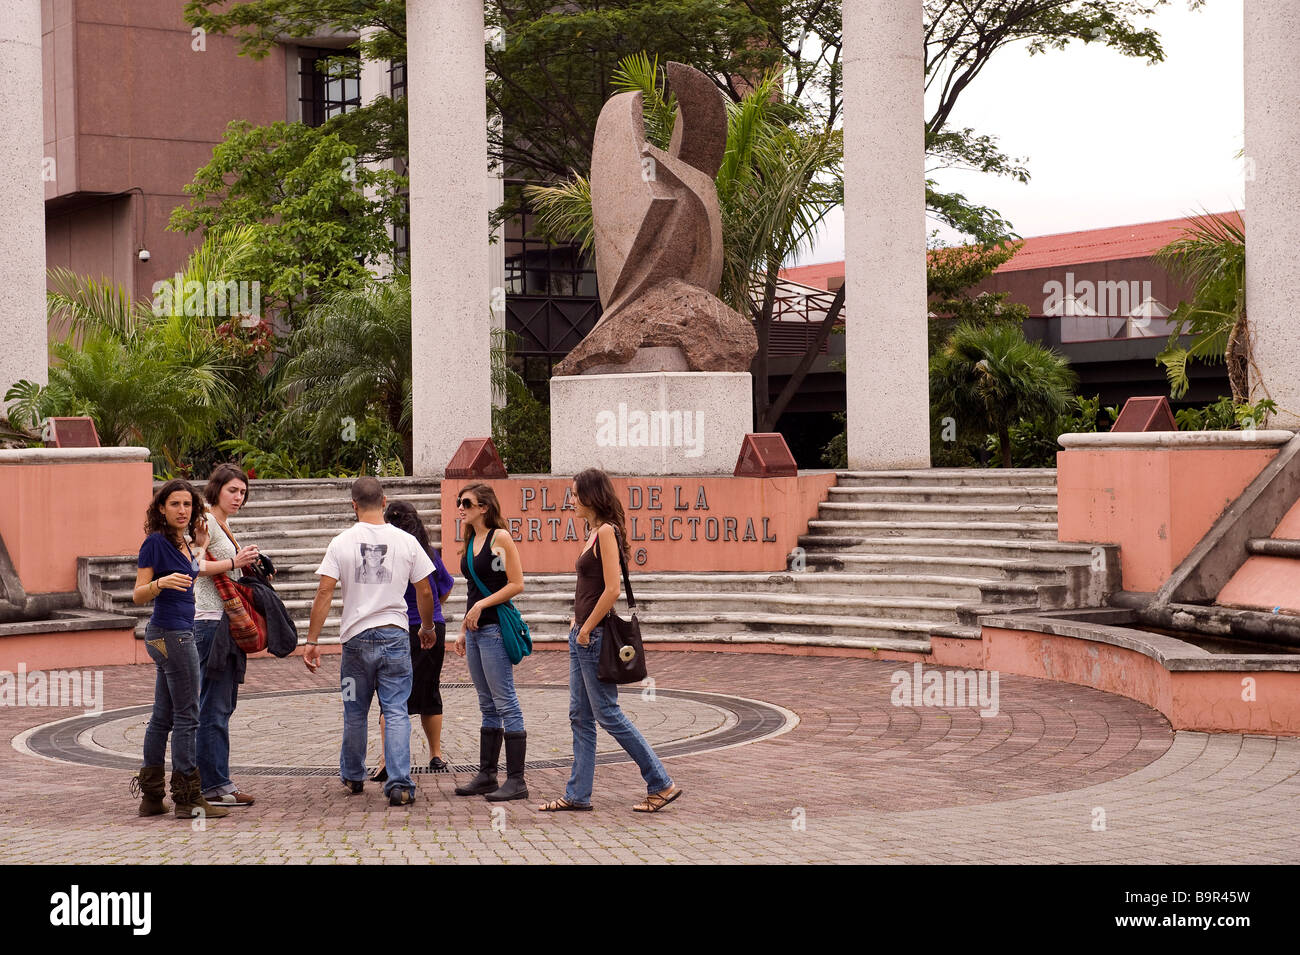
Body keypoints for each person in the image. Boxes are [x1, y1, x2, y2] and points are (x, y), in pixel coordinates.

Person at [537, 468, 682, 813]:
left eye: (574, 495)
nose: (570, 501)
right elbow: (591, 587)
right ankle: (577, 794)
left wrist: (587, 627)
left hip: (593, 636)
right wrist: (577, 622)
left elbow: (613, 589)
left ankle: (660, 782)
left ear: (590, 496)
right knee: (580, 716)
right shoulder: (592, 533)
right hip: (582, 633)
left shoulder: (605, 531)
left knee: (607, 713)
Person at [302, 477, 437, 807]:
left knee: (354, 709)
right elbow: (424, 589)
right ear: (384, 500)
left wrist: (312, 640)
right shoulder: (406, 541)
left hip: (355, 643)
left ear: (353, 504)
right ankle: (401, 783)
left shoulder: (341, 542)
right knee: (396, 710)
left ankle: (352, 774)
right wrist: (427, 626)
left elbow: (324, 591)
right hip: (395, 637)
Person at [132, 480, 231, 821]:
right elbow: (138, 594)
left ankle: (152, 797)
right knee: (188, 715)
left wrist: (201, 546)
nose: (182, 510)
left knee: (163, 716)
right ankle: (189, 798)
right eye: (175, 504)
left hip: (169, 636)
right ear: (161, 508)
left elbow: (191, 571)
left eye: (187, 504)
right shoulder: (155, 543)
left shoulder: (184, 542)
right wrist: (159, 584)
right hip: (171, 636)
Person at [452, 483, 529, 802]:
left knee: (505, 700)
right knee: (486, 703)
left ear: (484, 507)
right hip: (475, 631)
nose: (461, 507)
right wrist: (462, 628)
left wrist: (483, 606)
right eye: (459, 502)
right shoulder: (471, 539)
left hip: (495, 629)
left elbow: (516, 583)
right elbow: (473, 590)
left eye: (467, 502)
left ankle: (516, 781)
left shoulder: (500, 538)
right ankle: (487, 774)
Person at [369, 499, 455, 782]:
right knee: (430, 690)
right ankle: (436, 754)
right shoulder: (428, 552)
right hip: (431, 626)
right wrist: (431, 617)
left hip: (397, 627)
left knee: (392, 695)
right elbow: (444, 586)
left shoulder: (384, 554)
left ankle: (386, 759)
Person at [192, 463, 262, 808]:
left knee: (221, 704)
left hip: (223, 621)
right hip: (210, 621)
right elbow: (193, 566)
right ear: (216, 487)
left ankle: (214, 781)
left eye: (243, 493)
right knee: (214, 706)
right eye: (233, 490)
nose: (238, 497)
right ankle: (214, 785)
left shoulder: (221, 522)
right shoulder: (203, 519)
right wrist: (235, 561)